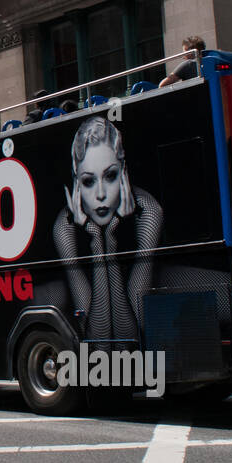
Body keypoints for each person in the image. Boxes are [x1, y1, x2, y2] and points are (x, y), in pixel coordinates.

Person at [52, 117, 163, 354]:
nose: (101, 194)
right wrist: (100, 241)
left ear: (124, 173)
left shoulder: (148, 211)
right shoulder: (65, 226)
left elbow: (131, 334)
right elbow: (99, 339)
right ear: (76, 183)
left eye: (110, 176)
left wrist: (113, 236)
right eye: (89, 181)